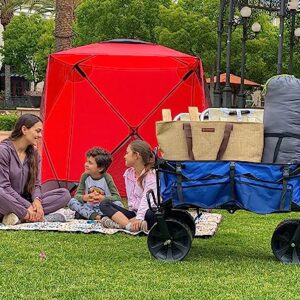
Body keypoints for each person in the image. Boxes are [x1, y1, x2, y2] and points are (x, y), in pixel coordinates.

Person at [0, 114, 71, 225]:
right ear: (24, 129)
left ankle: (20, 217)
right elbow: (4, 186)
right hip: (7, 199)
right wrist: (28, 206)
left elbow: (36, 184)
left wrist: (37, 200)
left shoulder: (34, 155)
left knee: (64, 194)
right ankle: (31, 216)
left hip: (25, 200)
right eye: (37, 131)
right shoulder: (3, 151)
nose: (40, 135)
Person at [99, 139, 157, 232]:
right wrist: (133, 218)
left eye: (127, 153)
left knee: (151, 213)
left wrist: (139, 217)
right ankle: (129, 225)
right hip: (134, 213)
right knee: (104, 204)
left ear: (136, 155)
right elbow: (131, 199)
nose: (124, 156)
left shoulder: (151, 175)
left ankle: (121, 224)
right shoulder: (128, 173)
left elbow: (148, 199)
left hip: (146, 212)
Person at [68, 147, 123, 220]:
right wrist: (85, 198)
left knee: (118, 204)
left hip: (104, 208)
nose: (86, 164)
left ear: (100, 168)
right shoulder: (85, 176)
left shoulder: (107, 178)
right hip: (89, 207)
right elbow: (77, 195)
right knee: (71, 201)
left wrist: (103, 198)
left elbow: (117, 197)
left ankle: (87, 215)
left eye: (90, 163)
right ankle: (98, 217)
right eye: (87, 161)